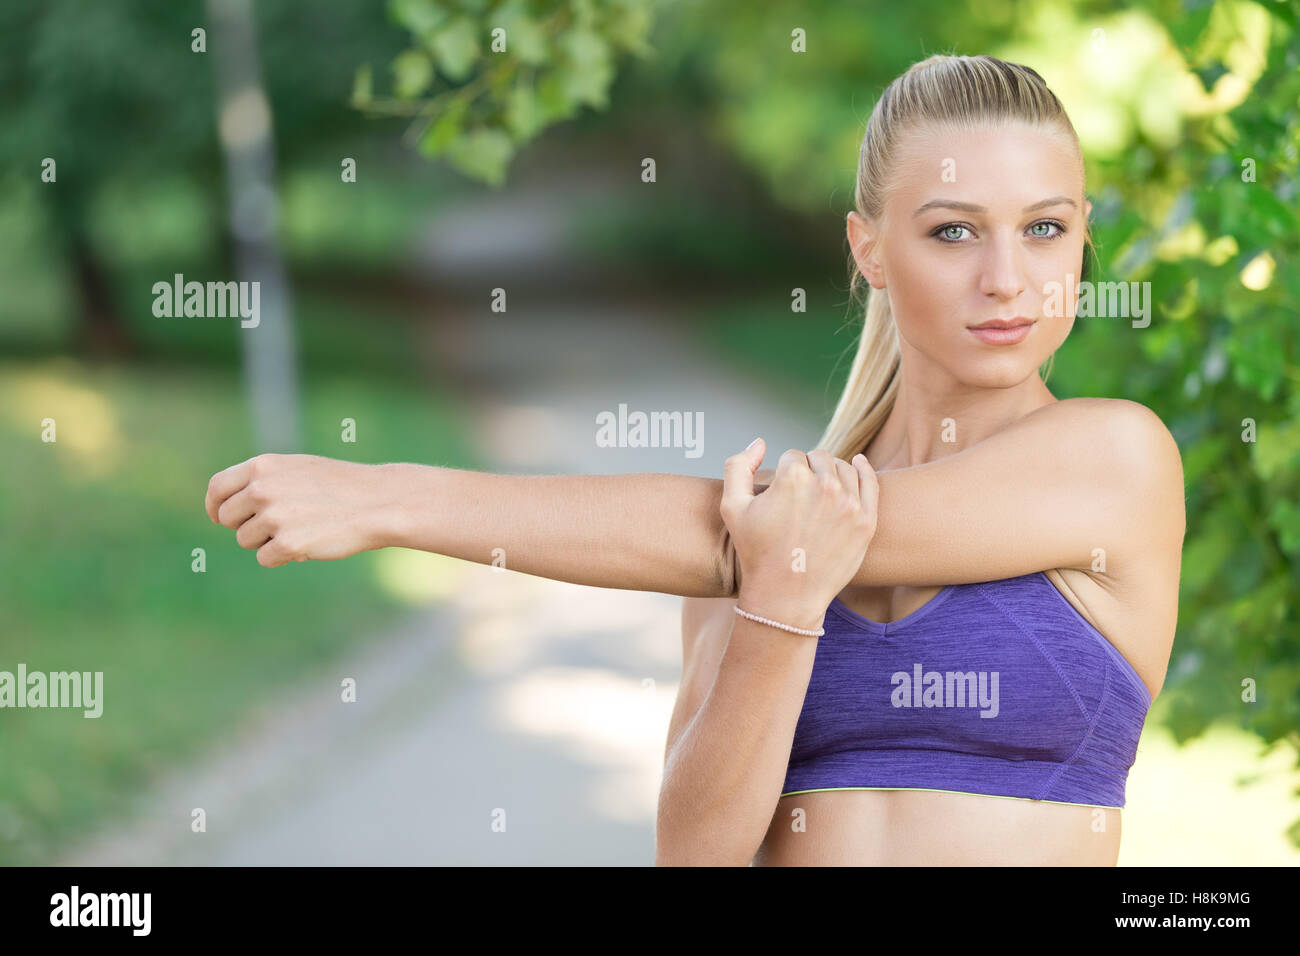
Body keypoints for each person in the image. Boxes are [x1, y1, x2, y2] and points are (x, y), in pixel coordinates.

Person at [204, 54, 1185, 866]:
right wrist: (782, 606)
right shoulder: (761, 523)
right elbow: (697, 853)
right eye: (953, 231)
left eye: (1044, 228)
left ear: (1080, 241)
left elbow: (725, 535)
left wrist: (391, 496)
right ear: (870, 248)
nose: (1006, 278)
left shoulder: (1111, 457)